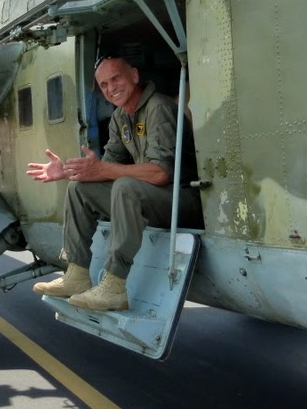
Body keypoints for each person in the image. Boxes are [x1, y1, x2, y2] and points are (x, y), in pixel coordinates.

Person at [26, 56, 200, 311]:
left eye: (116, 78)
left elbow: (160, 173)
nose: (111, 88)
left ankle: (114, 286)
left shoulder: (158, 107)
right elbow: (106, 168)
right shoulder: (121, 116)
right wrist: (67, 172)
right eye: (104, 85)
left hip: (183, 199)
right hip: (155, 197)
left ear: (134, 76)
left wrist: (104, 169)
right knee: (79, 189)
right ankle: (76, 275)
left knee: (125, 187)